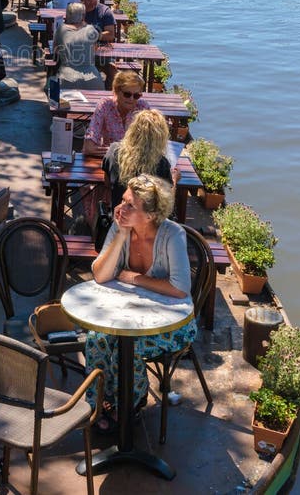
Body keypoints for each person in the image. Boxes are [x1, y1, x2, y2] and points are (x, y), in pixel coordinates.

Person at [85, 174, 197, 427]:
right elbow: (100, 275)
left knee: (128, 349)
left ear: (150, 215)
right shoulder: (120, 225)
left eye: (129, 206)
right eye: (123, 201)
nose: (120, 209)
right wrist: (122, 235)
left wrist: (135, 278)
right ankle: (98, 402)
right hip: (128, 317)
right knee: (96, 339)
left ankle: (130, 404)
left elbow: (180, 289)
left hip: (173, 325)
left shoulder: (172, 234)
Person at [103, 109, 179, 209]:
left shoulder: (114, 151)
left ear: (132, 129)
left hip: (119, 217)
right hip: (146, 223)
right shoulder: (161, 163)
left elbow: (107, 183)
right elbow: (167, 204)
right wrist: (174, 178)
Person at [83, 70, 148, 155]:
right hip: (109, 161)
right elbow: (88, 146)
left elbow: (150, 143)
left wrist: (114, 151)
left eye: (136, 96)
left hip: (134, 160)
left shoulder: (142, 107)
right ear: (116, 91)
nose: (131, 99)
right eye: (127, 94)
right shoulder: (105, 105)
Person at [52, 2, 104, 91]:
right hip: (93, 79)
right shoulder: (91, 30)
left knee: (51, 83)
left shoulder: (61, 29)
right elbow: (94, 49)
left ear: (67, 15)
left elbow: (55, 50)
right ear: (83, 16)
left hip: (66, 79)